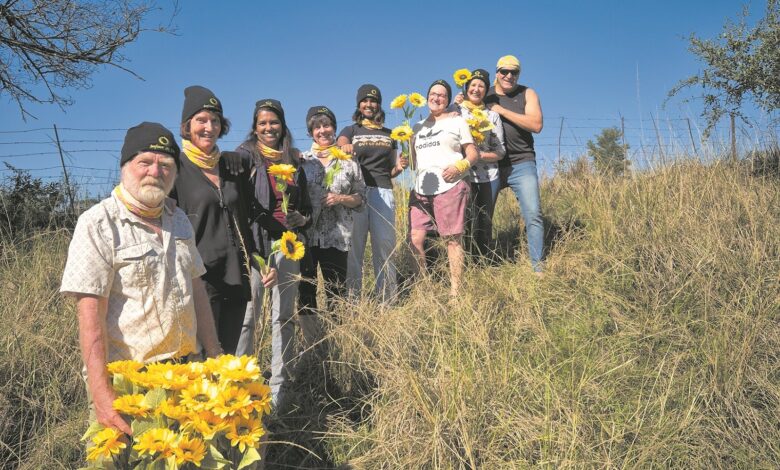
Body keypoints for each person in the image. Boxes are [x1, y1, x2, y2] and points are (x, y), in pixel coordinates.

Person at [61, 122, 224, 434]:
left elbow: (197, 290)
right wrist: (101, 392)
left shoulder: (179, 220)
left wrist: (214, 355)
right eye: (145, 162)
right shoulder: (98, 223)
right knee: (124, 456)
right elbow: (90, 314)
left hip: (186, 373)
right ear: (125, 167)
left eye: (166, 165)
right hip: (129, 383)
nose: (155, 172)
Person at [170, 85, 276, 357]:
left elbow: (247, 216)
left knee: (226, 358)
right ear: (187, 125)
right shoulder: (175, 169)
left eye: (215, 120)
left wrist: (259, 259)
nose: (209, 127)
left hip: (235, 276)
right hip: (199, 280)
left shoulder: (232, 167)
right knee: (199, 360)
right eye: (201, 120)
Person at [234, 98, 312, 407]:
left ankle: (280, 390)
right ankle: (240, 387)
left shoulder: (293, 159)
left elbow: (305, 206)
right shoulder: (245, 157)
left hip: (288, 246)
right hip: (256, 246)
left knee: (283, 317)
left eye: (274, 122)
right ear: (255, 127)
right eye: (263, 122)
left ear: (282, 125)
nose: (269, 127)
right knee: (248, 317)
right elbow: (239, 202)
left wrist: (302, 218)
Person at [337, 84, 407, 303]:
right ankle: (353, 301)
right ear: (359, 104)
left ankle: (387, 300)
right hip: (356, 193)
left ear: (379, 104)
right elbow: (341, 143)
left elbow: (391, 170)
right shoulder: (351, 130)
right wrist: (345, 146)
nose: (369, 104)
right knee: (354, 248)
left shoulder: (390, 135)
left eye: (373, 101)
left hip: (383, 192)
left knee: (385, 245)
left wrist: (399, 167)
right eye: (365, 100)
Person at [409, 80, 479, 298]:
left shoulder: (457, 121)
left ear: (447, 100)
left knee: (451, 240)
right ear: (427, 97)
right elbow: (413, 162)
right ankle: (423, 289)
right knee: (415, 238)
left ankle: (455, 292)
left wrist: (460, 167)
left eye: (441, 95)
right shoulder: (417, 127)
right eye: (433, 93)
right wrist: (404, 158)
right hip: (420, 189)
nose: (436, 98)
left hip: (450, 186)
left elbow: (473, 154)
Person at [299, 106, 365, 323]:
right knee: (306, 292)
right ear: (310, 133)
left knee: (336, 292)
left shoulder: (348, 161)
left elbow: (361, 198)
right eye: (316, 127)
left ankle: (338, 336)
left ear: (334, 128)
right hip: (306, 238)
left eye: (326, 125)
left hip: (337, 238)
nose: (322, 131)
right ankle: (311, 338)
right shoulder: (302, 161)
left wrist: (340, 198)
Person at [484, 55, 544, 273]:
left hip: (522, 162)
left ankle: (538, 269)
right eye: (504, 71)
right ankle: (483, 264)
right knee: (482, 216)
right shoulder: (485, 93)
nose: (509, 76)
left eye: (514, 72)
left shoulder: (527, 93)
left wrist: (501, 111)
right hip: (491, 164)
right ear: (497, 72)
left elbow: (536, 125)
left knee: (533, 214)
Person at [458, 69, 506, 260]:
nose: (476, 89)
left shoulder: (492, 116)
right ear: (466, 88)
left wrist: (480, 155)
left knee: (485, 221)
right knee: (466, 220)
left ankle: (483, 262)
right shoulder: (456, 112)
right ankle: (466, 262)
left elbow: (500, 151)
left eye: (481, 86)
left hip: (489, 176)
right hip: (463, 175)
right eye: (473, 85)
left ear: (486, 90)